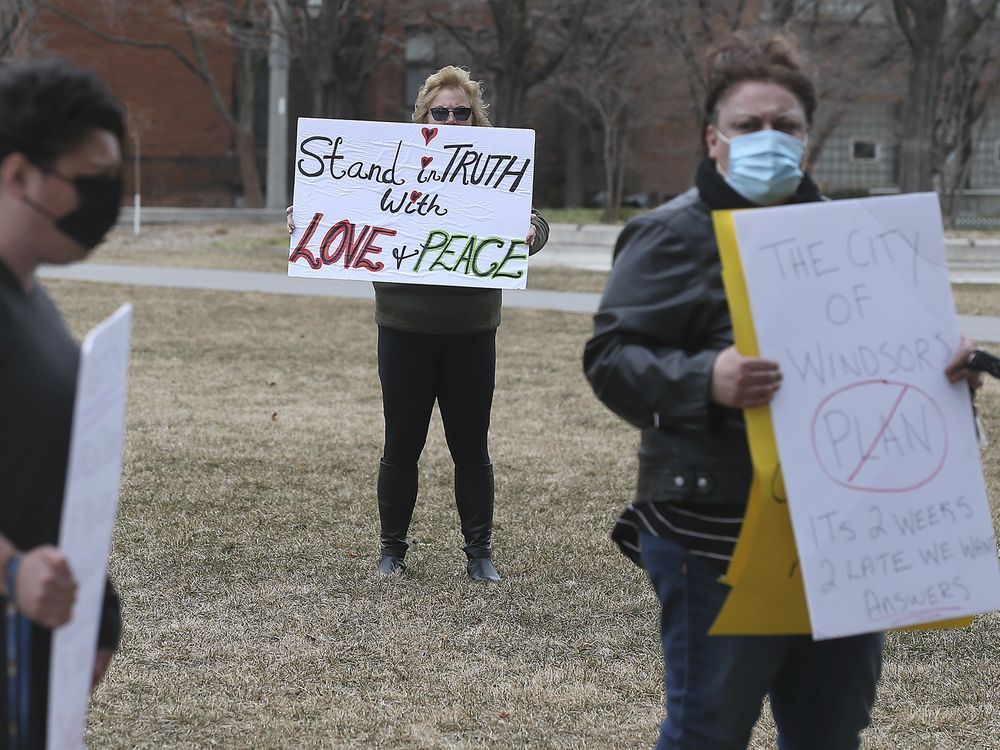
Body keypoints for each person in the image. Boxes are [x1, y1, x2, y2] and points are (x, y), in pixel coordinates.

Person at [583, 30, 984, 750]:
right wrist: (707, 379)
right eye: (748, 126)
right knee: (709, 728)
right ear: (714, 140)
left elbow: (887, 374)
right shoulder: (669, 235)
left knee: (831, 730)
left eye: (785, 126)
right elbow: (610, 360)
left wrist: (942, 371)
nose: (768, 139)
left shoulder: (859, 240)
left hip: (847, 532)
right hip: (714, 533)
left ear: (807, 139)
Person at [288, 65, 549, 581]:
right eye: (440, 112)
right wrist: (305, 221)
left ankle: (480, 555)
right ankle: (392, 551)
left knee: (470, 446)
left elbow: (535, 225)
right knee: (401, 443)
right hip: (403, 328)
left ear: (476, 119)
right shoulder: (391, 164)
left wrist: (530, 232)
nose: (451, 119)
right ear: (422, 117)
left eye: (461, 112)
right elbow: (342, 213)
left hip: (472, 331)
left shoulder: (497, 170)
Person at [0, 59, 125, 748]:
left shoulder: (31, 297)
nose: (107, 198)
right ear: (19, 175)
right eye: (90, 179)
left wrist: (94, 608)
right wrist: (12, 573)